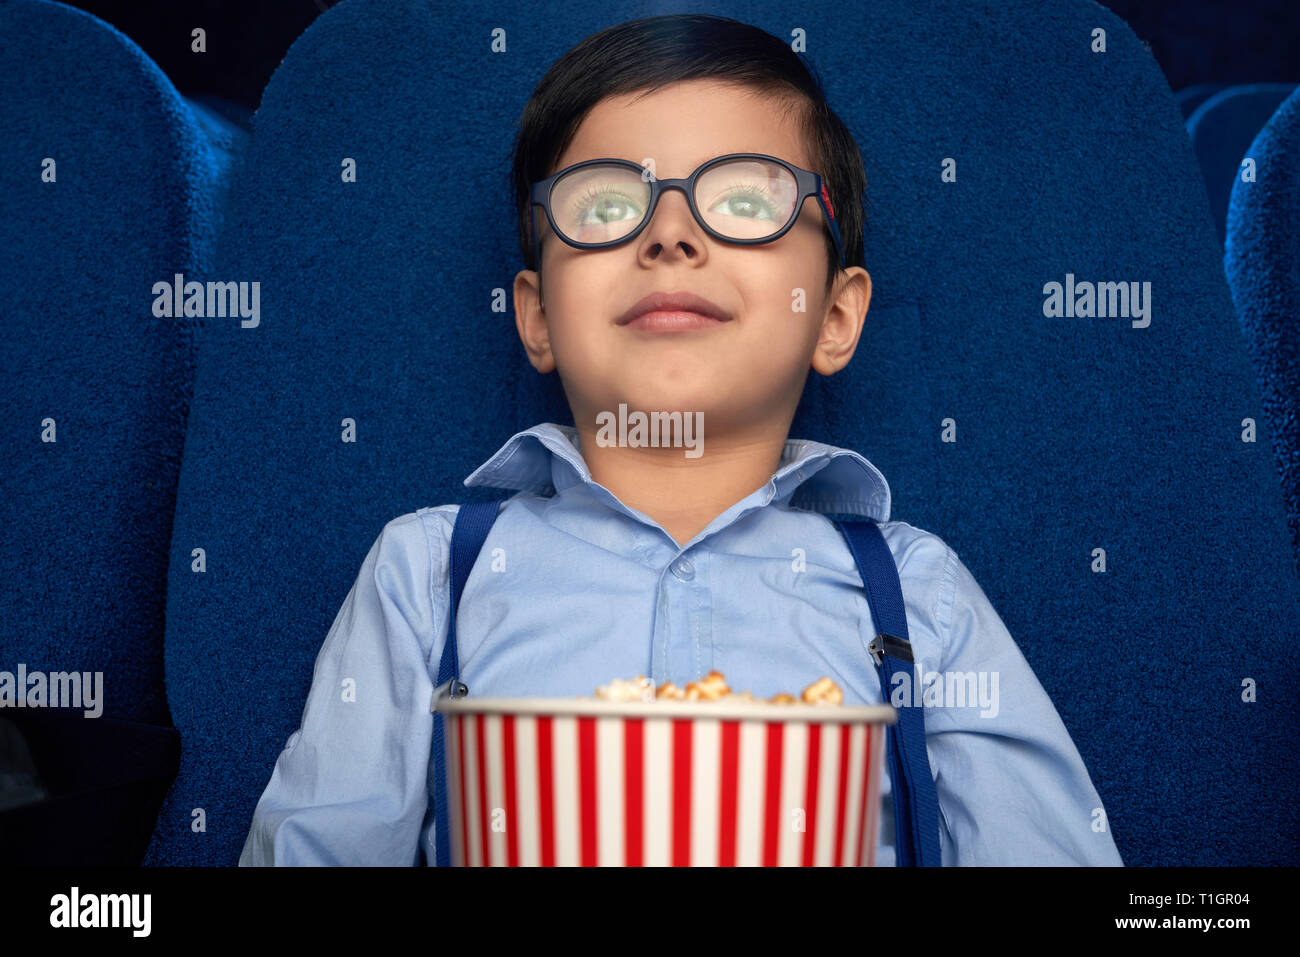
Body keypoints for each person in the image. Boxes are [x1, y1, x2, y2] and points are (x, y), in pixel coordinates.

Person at [239, 13, 1123, 867]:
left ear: (836, 316)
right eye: (606, 203)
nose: (669, 233)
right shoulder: (426, 576)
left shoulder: (918, 593)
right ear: (539, 315)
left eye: (747, 198)